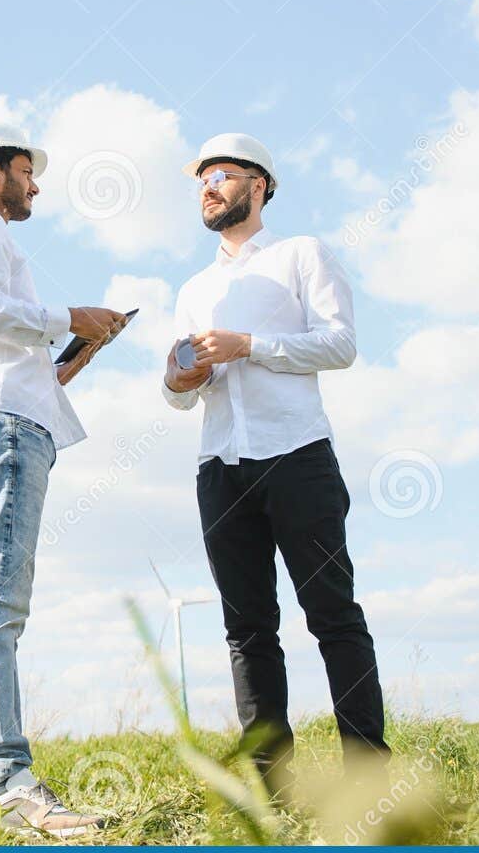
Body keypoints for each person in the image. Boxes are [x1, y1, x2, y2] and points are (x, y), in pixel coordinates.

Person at [161, 132, 388, 794]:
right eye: (201, 179)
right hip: (219, 465)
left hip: (297, 456)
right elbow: (181, 392)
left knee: (333, 616)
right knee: (247, 631)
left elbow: (340, 344)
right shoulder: (193, 288)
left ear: (258, 184)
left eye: (221, 175)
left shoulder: (302, 254)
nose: (208, 187)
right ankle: (272, 796)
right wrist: (179, 380)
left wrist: (248, 344)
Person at [0, 120, 126, 836]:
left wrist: (74, 350)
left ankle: (0, 780)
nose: (36, 183)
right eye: (26, 168)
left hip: (1, 417)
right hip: (0, 426)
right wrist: (67, 314)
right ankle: (4, 784)